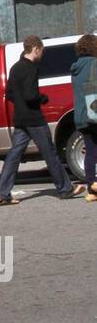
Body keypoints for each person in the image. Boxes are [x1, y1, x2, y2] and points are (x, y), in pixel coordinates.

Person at [0, 35, 77, 206]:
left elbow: (9, 93)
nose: (42, 55)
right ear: (36, 49)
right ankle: (65, 188)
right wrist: (43, 98)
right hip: (34, 118)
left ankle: (3, 192)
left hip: (20, 119)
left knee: (14, 155)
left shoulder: (15, 68)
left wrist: (20, 103)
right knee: (50, 153)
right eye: (42, 51)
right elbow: (31, 95)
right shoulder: (31, 68)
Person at [70, 34, 97, 200]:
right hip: (94, 114)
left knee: (91, 152)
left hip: (81, 116)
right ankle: (93, 185)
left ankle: (92, 190)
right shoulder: (94, 63)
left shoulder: (75, 68)